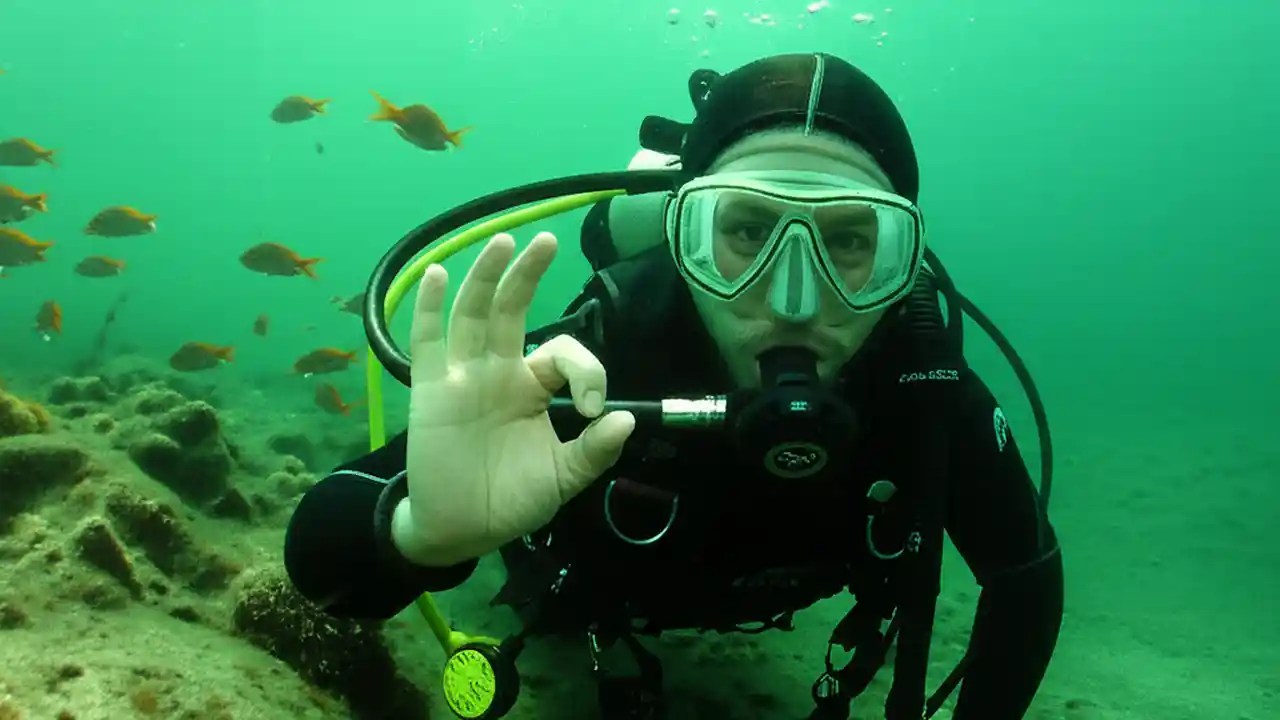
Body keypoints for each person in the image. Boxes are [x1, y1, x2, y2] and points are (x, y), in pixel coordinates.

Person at [284, 52, 1063, 720]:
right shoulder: (605, 351)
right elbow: (319, 561)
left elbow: (1024, 584)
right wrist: (421, 534)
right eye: (749, 231)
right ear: (685, 237)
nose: (794, 299)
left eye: (851, 241)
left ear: (902, 265)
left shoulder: (924, 390)